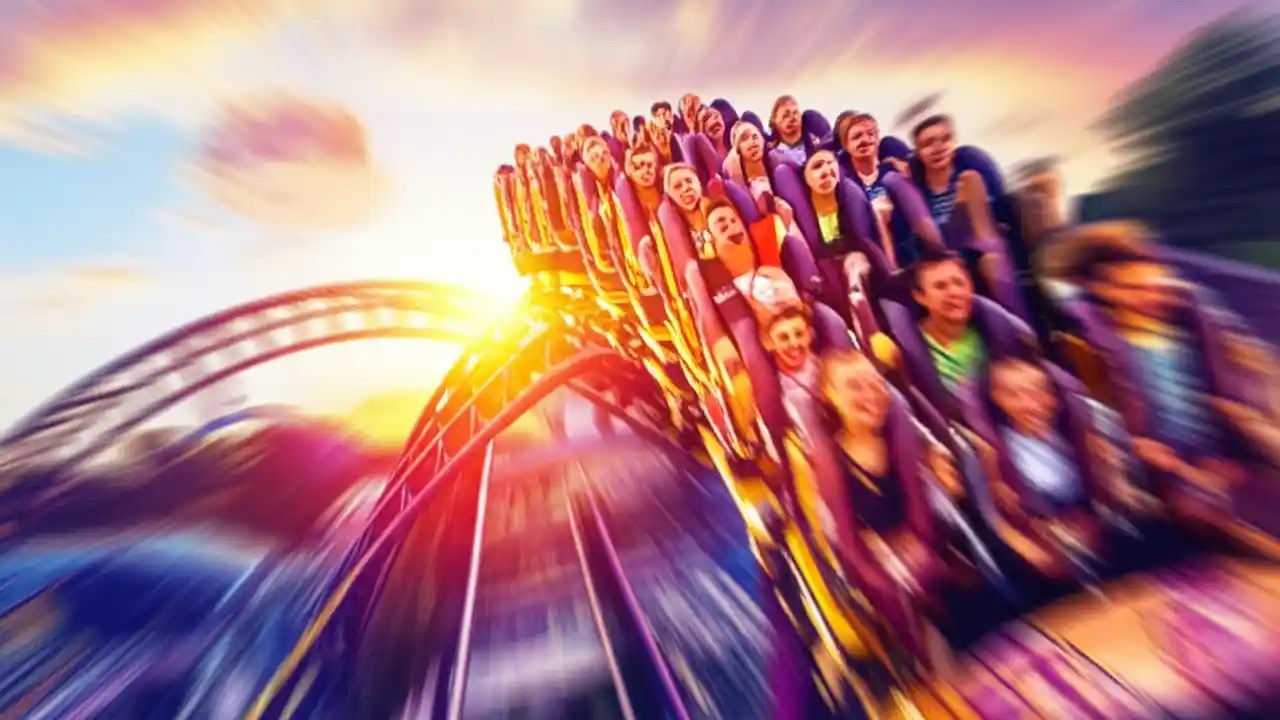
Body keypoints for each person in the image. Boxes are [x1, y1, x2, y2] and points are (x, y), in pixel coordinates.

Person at [912, 114, 1028, 319]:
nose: (938, 148)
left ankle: (1021, 326)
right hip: (948, 248)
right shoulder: (917, 189)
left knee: (992, 259)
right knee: (970, 181)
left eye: (945, 139)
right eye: (928, 144)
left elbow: (1000, 208)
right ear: (918, 152)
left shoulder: (971, 165)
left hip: (985, 242)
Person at [912, 251, 988, 391]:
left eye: (959, 283)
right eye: (940, 286)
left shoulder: (991, 335)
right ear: (920, 297)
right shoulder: (908, 346)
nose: (954, 292)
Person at [768, 94, 808, 166]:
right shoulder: (774, 155)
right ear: (775, 121)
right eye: (785, 116)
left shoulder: (814, 142)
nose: (792, 118)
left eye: (795, 113)